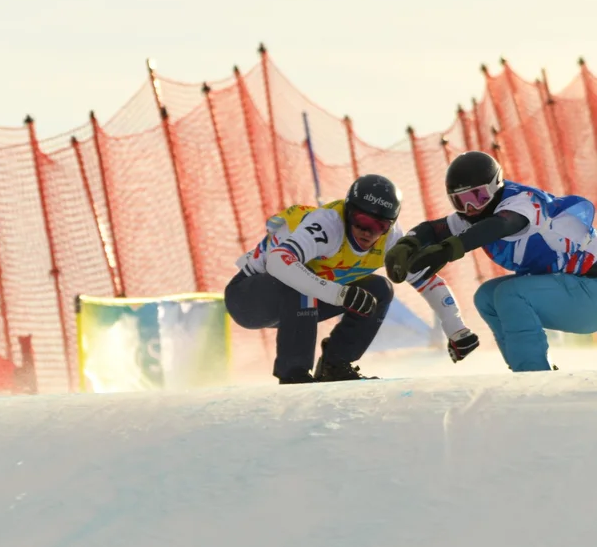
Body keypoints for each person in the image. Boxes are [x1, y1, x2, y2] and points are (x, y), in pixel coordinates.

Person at [226, 173, 479, 383]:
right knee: (299, 281)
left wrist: (455, 329)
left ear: (390, 225)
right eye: (361, 220)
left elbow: (426, 278)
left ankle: (334, 366)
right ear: (348, 212)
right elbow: (279, 262)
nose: (368, 232)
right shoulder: (327, 224)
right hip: (247, 298)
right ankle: (295, 376)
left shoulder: (391, 239)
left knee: (380, 289)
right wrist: (338, 293)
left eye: (379, 225)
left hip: (300, 302)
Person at [385, 150, 597, 372]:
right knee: (486, 297)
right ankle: (522, 367)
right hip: (576, 289)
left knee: (511, 294)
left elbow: (501, 225)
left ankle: (532, 373)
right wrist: (406, 244)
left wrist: (450, 249)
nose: (471, 209)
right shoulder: (476, 215)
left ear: (496, 186)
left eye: (478, 197)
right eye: (461, 201)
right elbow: (433, 229)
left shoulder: (521, 202)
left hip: (590, 288)